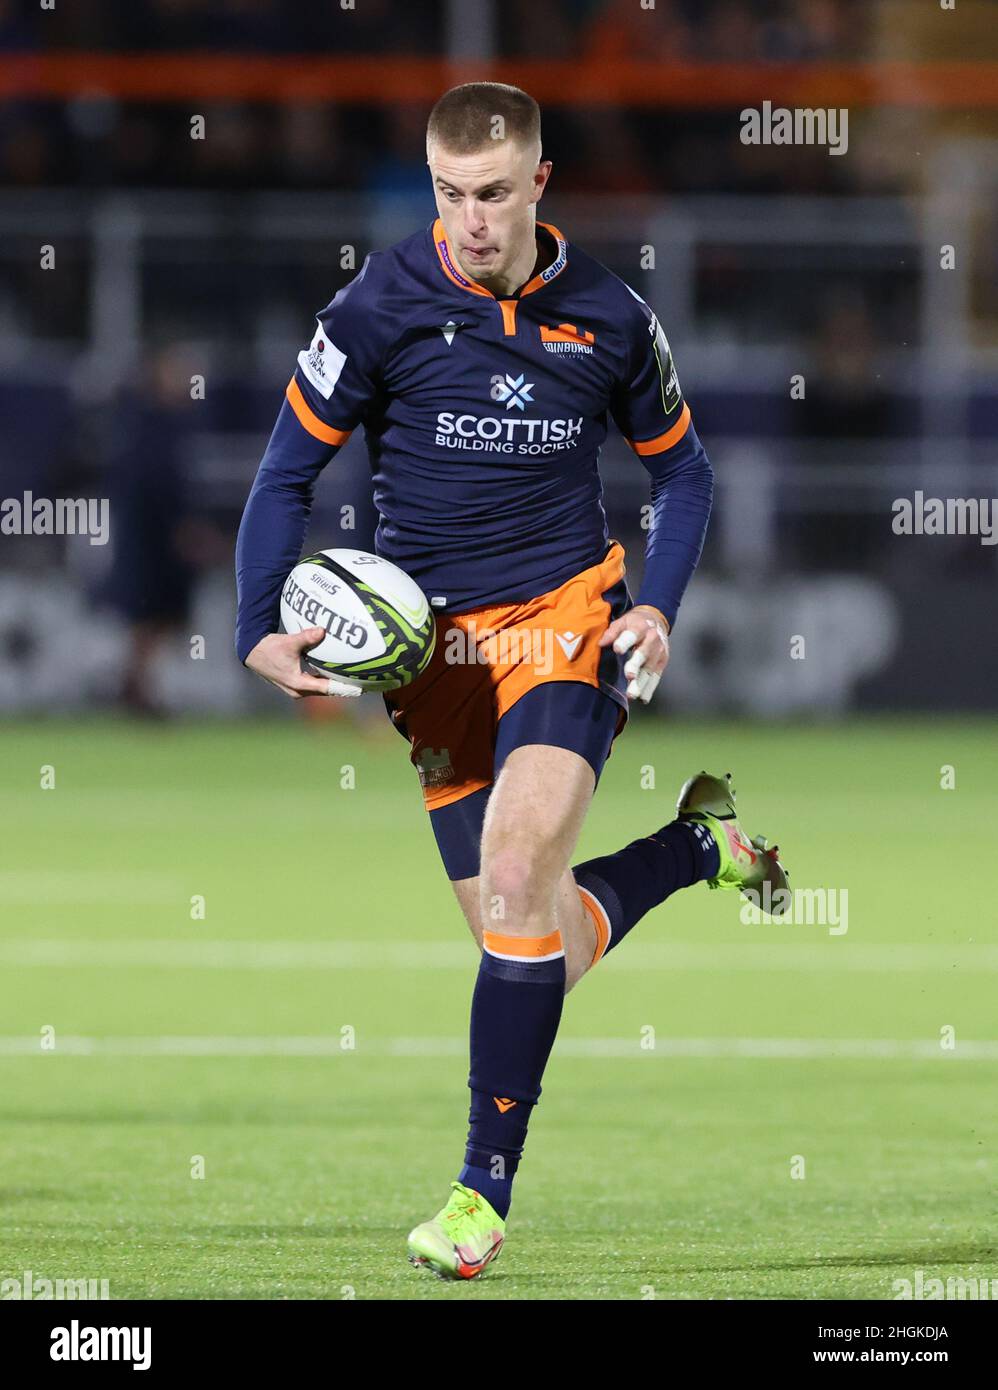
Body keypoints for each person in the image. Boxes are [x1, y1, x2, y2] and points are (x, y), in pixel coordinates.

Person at [234, 82, 788, 1279]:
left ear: (538, 183)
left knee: (525, 863)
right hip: (428, 656)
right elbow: (282, 476)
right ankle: (695, 848)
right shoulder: (378, 305)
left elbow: (683, 477)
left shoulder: (609, 317)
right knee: (526, 935)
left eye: (491, 193)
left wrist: (654, 605)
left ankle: (479, 1198)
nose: (469, 219)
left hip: (560, 616)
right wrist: (255, 626)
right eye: (447, 193)